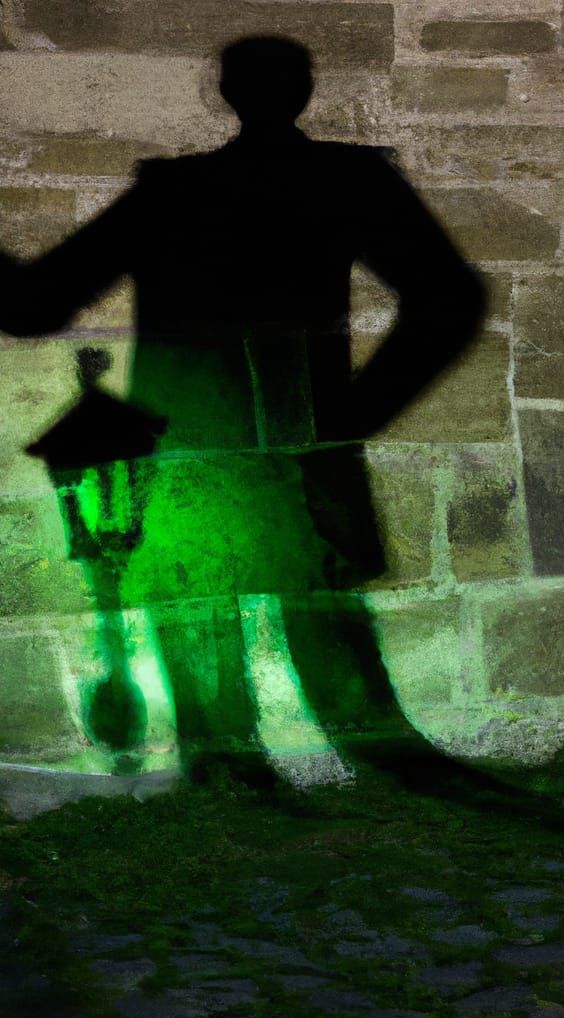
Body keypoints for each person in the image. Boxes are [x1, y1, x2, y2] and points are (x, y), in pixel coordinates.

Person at [0, 35, 486, 785]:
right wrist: (358, 411)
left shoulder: (179, 194)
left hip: (200, 433)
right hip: (279, 432)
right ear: (302, 91)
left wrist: (359, 411)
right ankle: (332, 748)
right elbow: (449, 298)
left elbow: (36, 302)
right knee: (304, 601)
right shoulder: (342, 181)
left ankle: (247, 760)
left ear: (226, 92)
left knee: (221, 605)